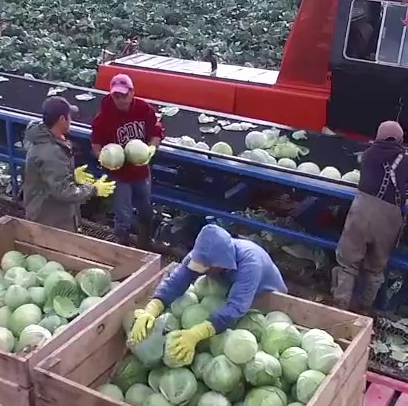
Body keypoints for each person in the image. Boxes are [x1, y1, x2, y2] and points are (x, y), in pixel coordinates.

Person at [127, 223, 287, 367]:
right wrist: (151, 309)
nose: (203, 270)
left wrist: (196, 334)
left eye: (208, 267)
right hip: (234, 295)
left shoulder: (250, 264)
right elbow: (176, 281)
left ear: (221, 264)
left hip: (268, 299)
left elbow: (236, 308)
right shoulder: (203, 253)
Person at [330, 121, 408, 313]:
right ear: (399, 139)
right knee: (375, 267)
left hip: (362, 210)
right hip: (389, 217)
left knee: (348, 261)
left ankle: (340, 305)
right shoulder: (406, 161)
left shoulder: (368, 155)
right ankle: (365, 308)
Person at [90, 73, 163, 248]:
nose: (120, 99)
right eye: (116, 95)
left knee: (145, 210)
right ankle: (122, 247)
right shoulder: (104, 116)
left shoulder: (144, 109)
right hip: (119, 174)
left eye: (124, 95)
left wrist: (151, 148)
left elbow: (156, 132)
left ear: (132, 93)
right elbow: (95, 143)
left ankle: (145, 245)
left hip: (140, 170)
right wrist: (102, 156)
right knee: (123, 215)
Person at [22, 96, 115, 232]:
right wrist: (93, 189)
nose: (71, 120)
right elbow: (63, 191)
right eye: (69, 117)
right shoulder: (51, 152)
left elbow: (49, 178)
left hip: (50, 213)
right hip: (49, 220)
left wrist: (71, 174)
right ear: (62, 119)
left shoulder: (45, 139)